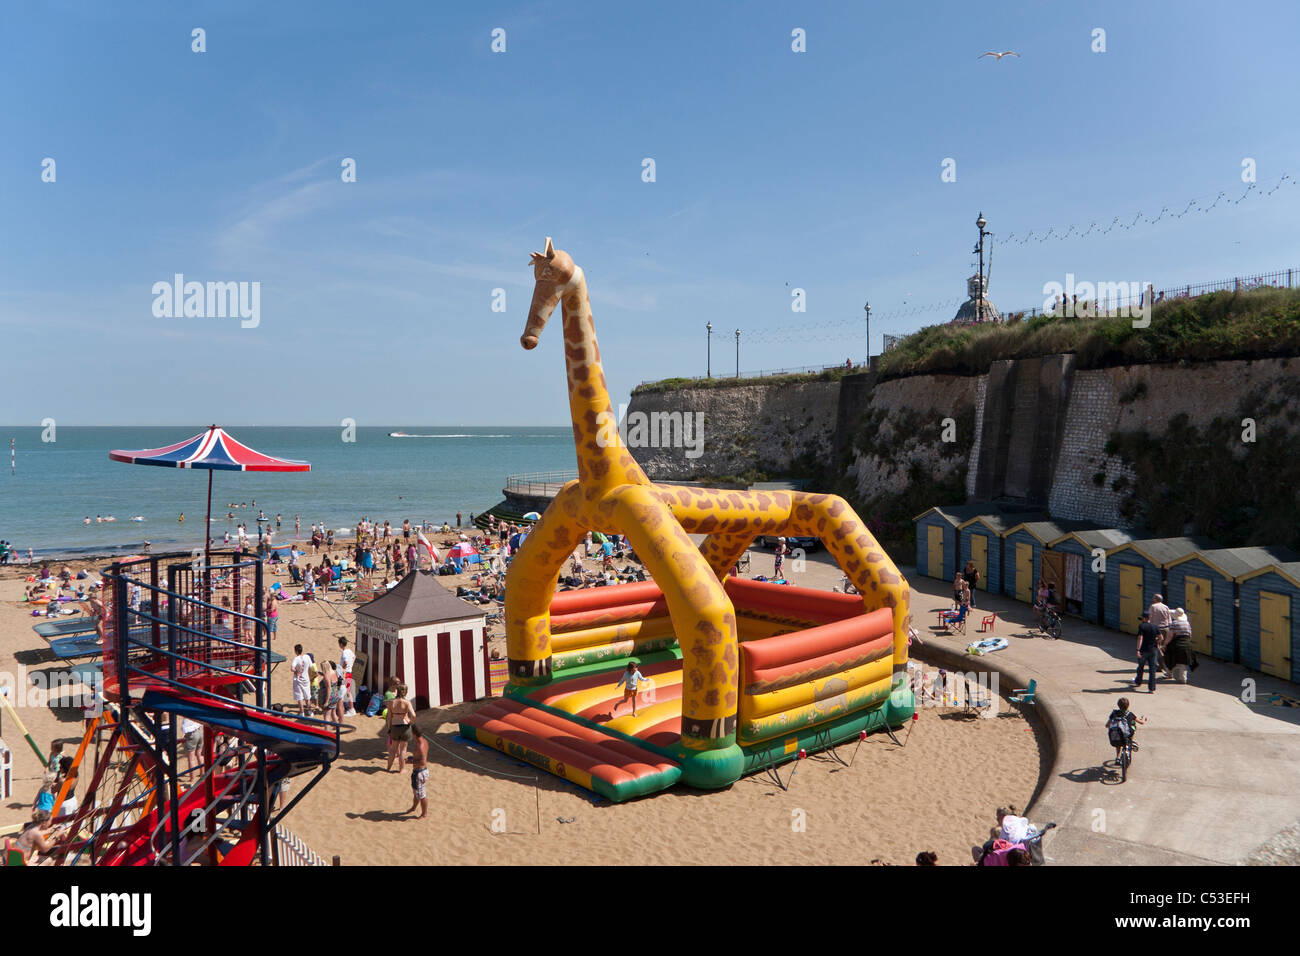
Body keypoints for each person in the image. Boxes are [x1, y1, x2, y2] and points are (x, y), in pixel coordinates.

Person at [386, 684, 416, 772]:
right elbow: (413, 715)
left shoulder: (391, 702)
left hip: (395, 726)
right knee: (403, 750)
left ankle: (388, 768)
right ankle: (401, 769)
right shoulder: (407, 702)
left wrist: (389, 728)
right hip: (405, 726)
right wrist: (410, 722)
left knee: (393, 749)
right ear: (405, 692)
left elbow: (388, 717)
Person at [1107, 696, 1146, 762]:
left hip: (1118, 735)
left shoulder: (1114, 713)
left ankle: (1118, 757)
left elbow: (1107, 725)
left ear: (1118, 705)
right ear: (1128, 706)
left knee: (1118, 743)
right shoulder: (1130, 714)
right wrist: (1144, 718)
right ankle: (1130, 742)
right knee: (1133, 726)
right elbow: (1141, 722)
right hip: (1127, 734)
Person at [1166, 609, 1197, 684]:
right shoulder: (1187, 623)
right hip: (1186, 643)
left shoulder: (1174, 623)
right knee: (1183, 661)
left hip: (1176, 643)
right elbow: (1189, 635)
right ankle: (1183, 678)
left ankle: (1169, 673)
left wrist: (1165, 644)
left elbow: (1170, 635)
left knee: (1170, 658)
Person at [1134, 611, 1161, 692]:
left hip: (1144, 650)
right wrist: (1156, 642)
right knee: (1152, 669)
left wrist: (1138, 650)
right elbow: (1161, 637)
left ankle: (1138, 681)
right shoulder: (1155, 626)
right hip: (1153, 650)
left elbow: (1140, 638)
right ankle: (1151, 688)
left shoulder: (1142, 626)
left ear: (1144, 618)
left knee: (1140, 667)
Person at [407, 725, 429, 819]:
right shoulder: (423, 741)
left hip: (420, 773)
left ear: (414, 733)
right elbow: (419, 758)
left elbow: (422, 761)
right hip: (418, 771)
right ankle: (414, 807)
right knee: (416, 792)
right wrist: (412, 758)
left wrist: (411, 761)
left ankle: (424, 814)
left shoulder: (420, 746)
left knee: (421, 795)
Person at [1147, 594, 1173, 675]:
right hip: (1166, 628)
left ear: (1155, 599)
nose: (1152, 599)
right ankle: (1165, 665)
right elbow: (1169, 619)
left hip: (1157, 629)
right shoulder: (1166, 607)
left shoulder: (1153, 607)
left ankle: (1161, 666)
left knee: (1157, 647)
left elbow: (1150, 618)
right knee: (1164, 646)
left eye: (1153, 598)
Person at [337, 636, 356, 718]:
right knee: (347, 692)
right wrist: (351, 666)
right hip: (349, 672)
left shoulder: (344, 652)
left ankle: (352, 709)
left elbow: (345, 662)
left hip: (346, 673)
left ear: (341, 644)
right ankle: (349, 708)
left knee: (347, 692)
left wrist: (343, 669)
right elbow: (354, 657)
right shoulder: (349, 651)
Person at [291, 644, 312, 715]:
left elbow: (292, 668)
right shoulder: (307, 657)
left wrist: (296, 671)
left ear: (296, 651)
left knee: (299, 697)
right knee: (307, 696)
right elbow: (310, 667)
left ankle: (302, 712)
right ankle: (309, 711)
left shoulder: (296, 659)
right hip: (306, 679)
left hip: (298, 679)